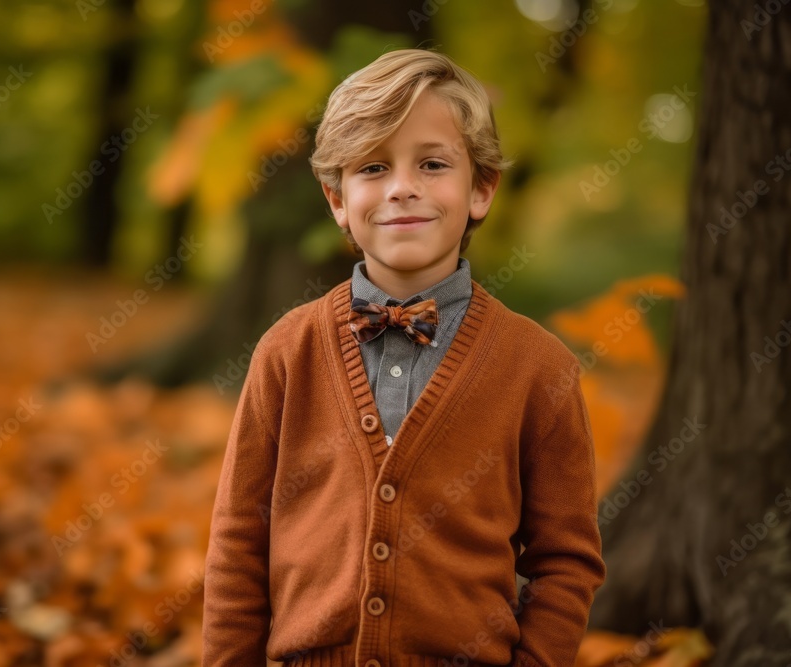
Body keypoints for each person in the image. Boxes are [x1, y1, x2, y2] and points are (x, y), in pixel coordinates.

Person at [202, 48, 606, 667]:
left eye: (434, 163)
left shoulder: (538, 368)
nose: (402, 188)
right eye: (371, 167)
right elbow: (237, 540)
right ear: (337, 198)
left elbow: (565, 561)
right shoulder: (287, 350)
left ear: (482, 189)